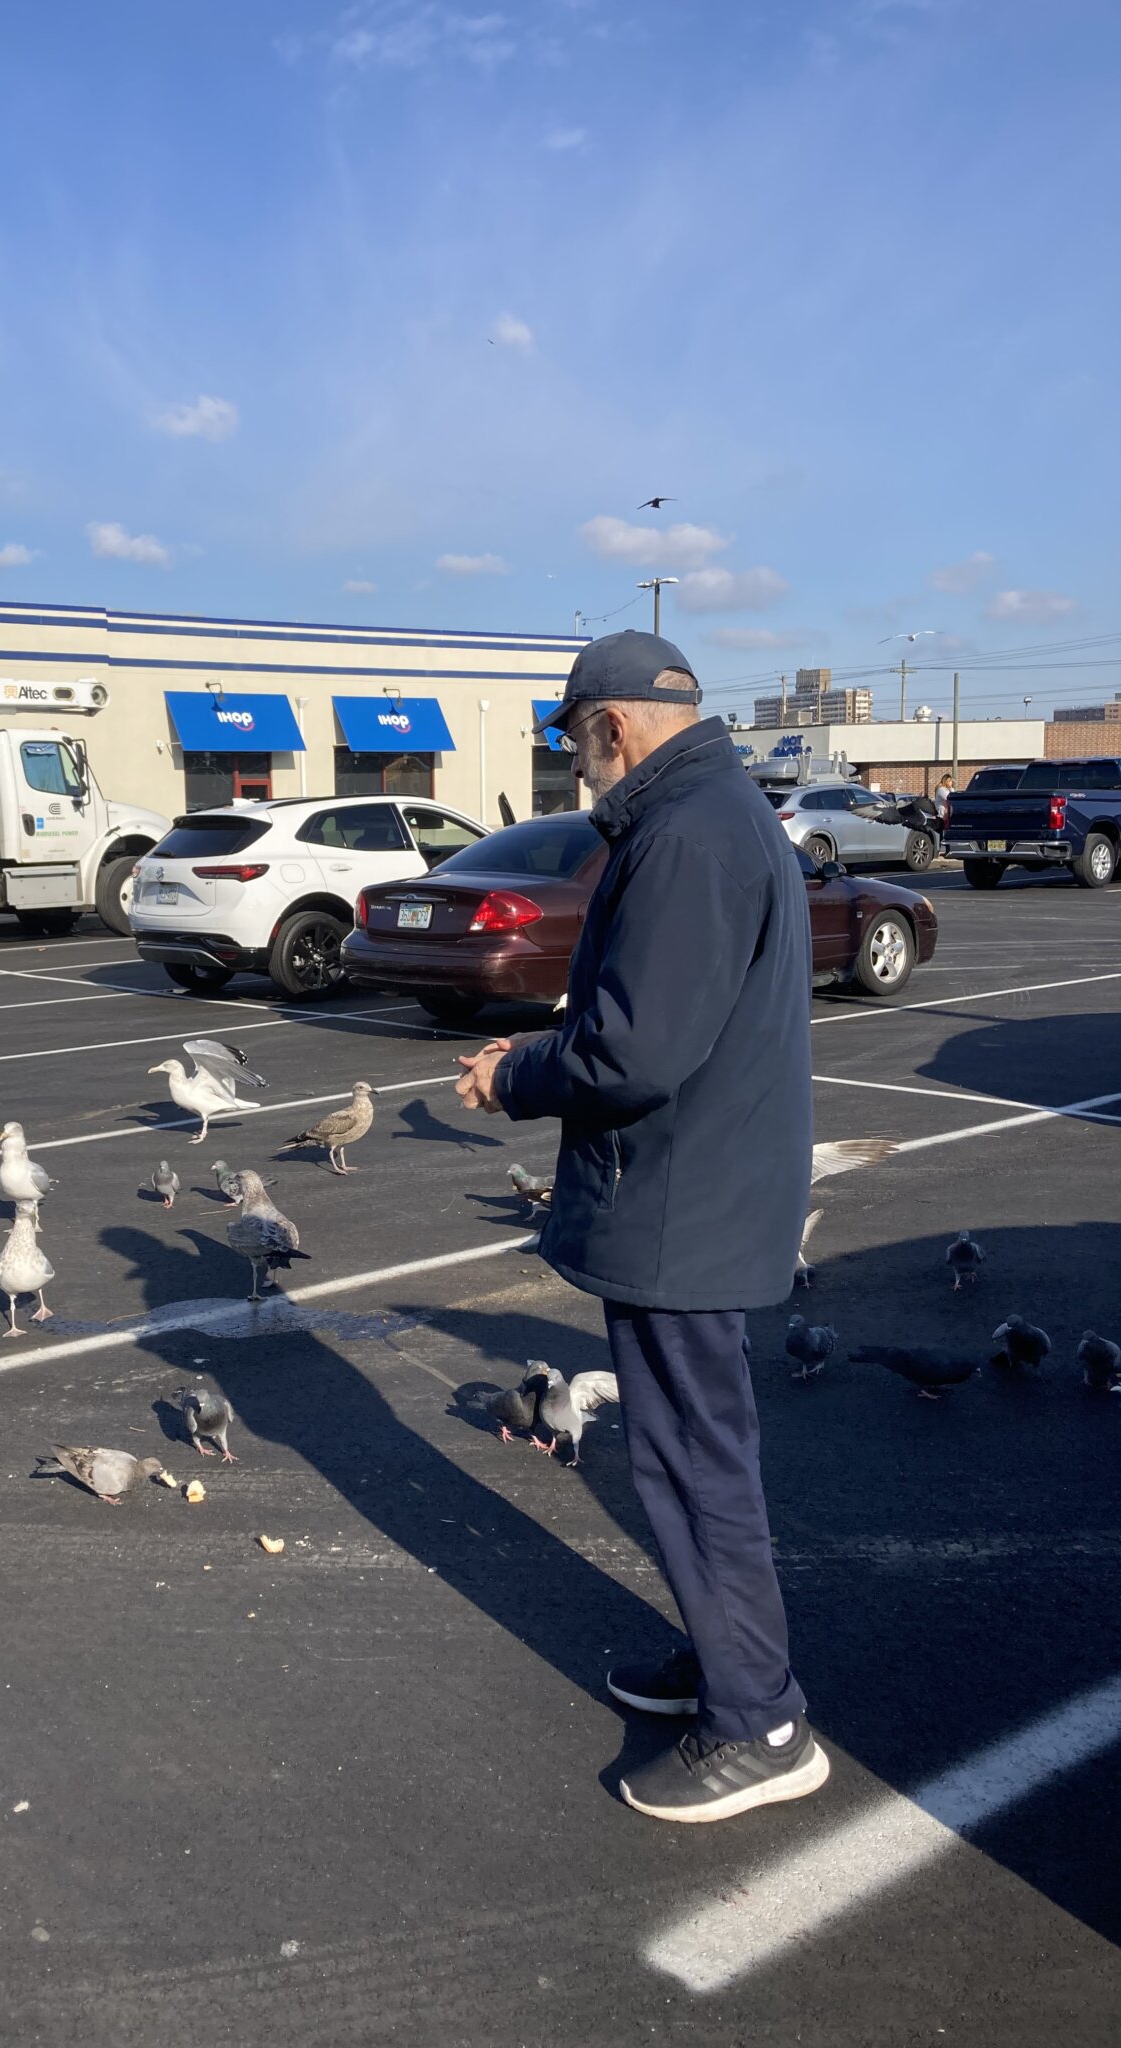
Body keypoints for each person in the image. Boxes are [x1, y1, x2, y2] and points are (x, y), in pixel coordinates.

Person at [455, 629, 827, 1824]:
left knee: (694, 1467)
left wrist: (515, 1073)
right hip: (692, 1194)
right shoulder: (713, 811)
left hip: (682, 1207)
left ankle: (760, 1721)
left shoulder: (687, 831)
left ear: (612, 726)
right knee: (688, 1459)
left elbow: (633, 1048)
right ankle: (727, 1664)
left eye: (574, 736)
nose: (575, 763)